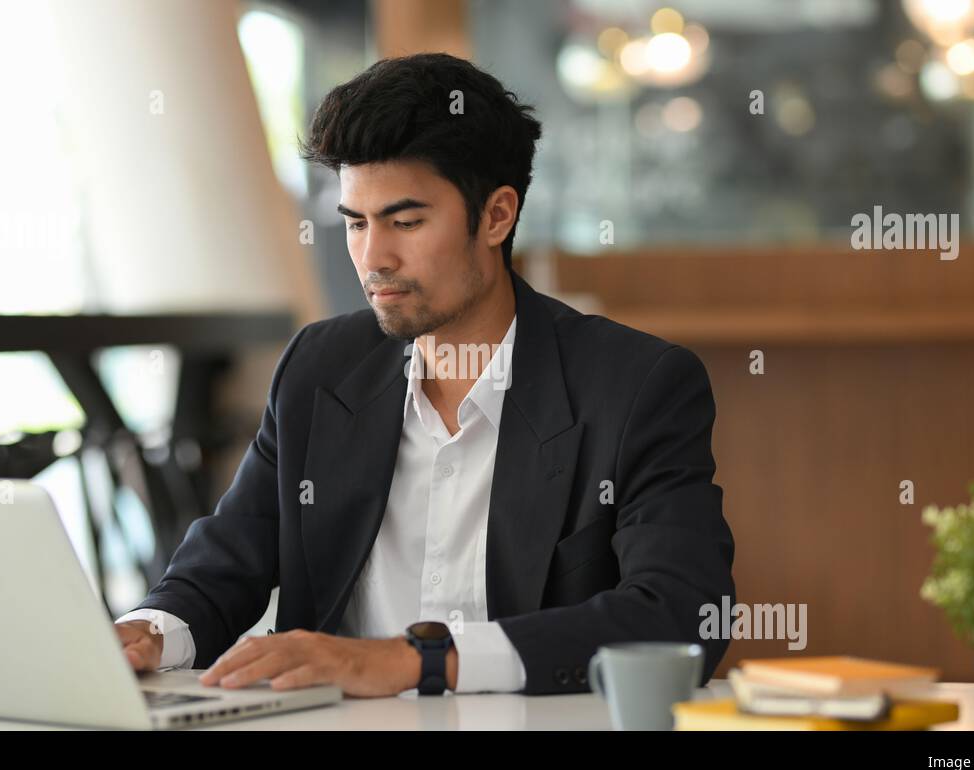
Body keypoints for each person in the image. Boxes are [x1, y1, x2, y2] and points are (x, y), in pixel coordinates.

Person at [115, 52, 735, 697]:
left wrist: (418, 660)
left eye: (406, 222)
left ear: (496, 216)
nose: (373, 257)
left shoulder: (635, 385)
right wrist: (150, 631)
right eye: (356, 223)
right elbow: (228, 561)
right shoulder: (319, 368)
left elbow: (681, 613)